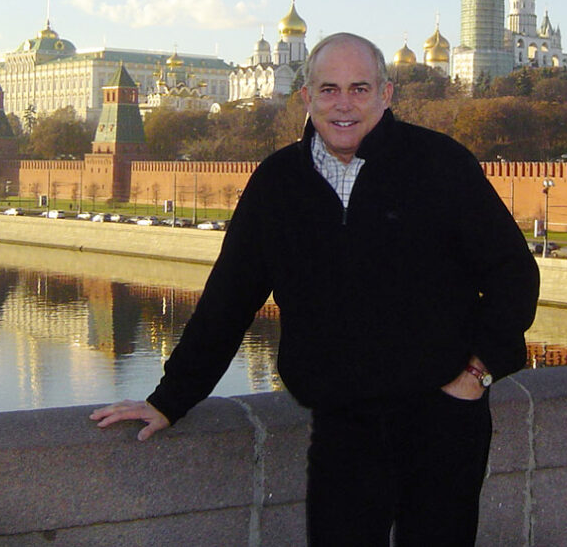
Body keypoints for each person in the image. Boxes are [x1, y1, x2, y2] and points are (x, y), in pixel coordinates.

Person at [92, 32, 540, 546]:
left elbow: (513, 274)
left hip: (442, 423)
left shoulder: (439, 164)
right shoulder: (279, 183)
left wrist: (476, 373)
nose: (343, 104)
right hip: (343, 427)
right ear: (306, 97)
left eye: (359, 88)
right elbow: (228, 301)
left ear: (386, 94)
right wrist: (170, 399)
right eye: (328, 90)